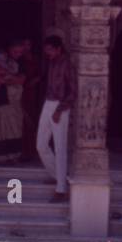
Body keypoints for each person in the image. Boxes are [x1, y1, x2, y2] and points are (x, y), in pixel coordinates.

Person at [37, 35, 76, 201]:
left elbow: (73, 91)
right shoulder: (51, 63)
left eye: (50, 50)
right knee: (40, 145)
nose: (48, 53)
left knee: (60, 147)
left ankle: (61, 189)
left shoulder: (67, 64)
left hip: (61, 106)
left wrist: (60, 109)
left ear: (58, 48)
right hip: (48, 103)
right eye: (46, 50)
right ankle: (60, 176)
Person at [17, 36, 42, 162]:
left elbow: (40, 74)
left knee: (31, 120)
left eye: (28, 45)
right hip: (20, 91)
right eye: (24, 44)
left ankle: (31, 150)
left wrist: (35, 80)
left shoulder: (35, 59)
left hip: (32, 93)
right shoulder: (18, 59)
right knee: (20, 121)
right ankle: (19, 150)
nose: (26, 47)